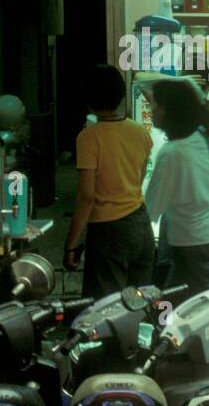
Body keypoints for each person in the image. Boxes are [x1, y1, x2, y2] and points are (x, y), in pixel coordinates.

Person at [65, 64, 157, 298]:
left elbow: (87, 196)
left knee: (106, 310)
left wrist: (71, 244)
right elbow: (138, 176)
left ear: (88, 99)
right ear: (120, 96)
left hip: (108, 232)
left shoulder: (88, 138)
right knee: (139, 303)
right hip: (141, 225)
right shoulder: (140, 132)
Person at [145, 79, 209, 296]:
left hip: (191, 243)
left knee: (204, 306)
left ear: (168, 110)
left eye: (155, 105)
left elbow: (152, 208)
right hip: (205, 235)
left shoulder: (172, 153)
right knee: (185, 301)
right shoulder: (197, 137)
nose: (151, 110)